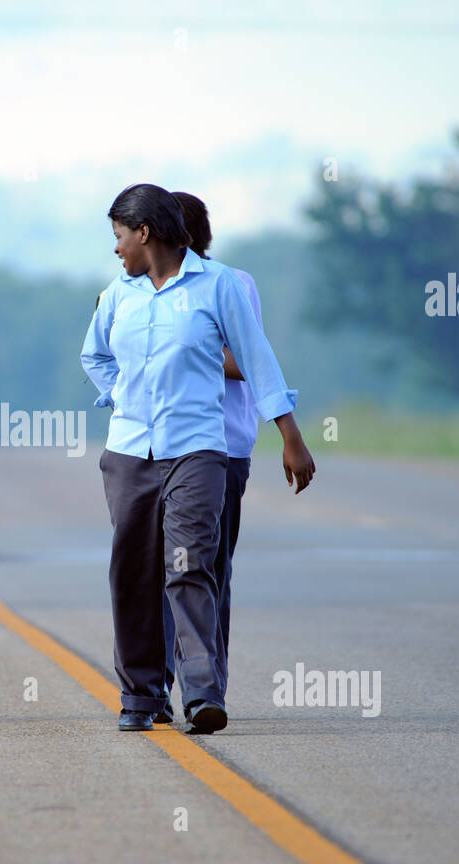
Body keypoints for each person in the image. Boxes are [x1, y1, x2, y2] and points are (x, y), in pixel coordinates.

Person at [81, 183, 315, 735]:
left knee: (190, 566)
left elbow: (257, 359)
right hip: (129, 451)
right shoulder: (120, 293)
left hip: (199, 448)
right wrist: (124, 395)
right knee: (133, 576)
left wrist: (289, 433)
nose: (116, 251)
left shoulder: (219, 286)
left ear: (145, 232)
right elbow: (94, 354)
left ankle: (204, 693)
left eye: (120, 238)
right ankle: (140, 697)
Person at [153, 191, 265, 723]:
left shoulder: (232, 283)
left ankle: (206, 691)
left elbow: (248, 361)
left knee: (204, 570)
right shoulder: (138, 290)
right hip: (156, 448)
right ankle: (154, 687)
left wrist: (183, 352)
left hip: (222, 446)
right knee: (158, 571)